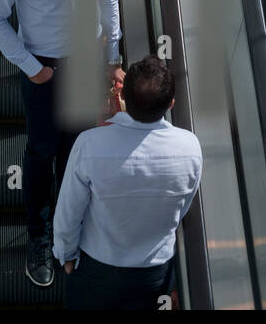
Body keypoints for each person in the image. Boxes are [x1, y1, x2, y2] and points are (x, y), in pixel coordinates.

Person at [0, 0, 126, 288]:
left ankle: (73, 228)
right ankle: (39, 236)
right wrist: (33, 69)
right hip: (43, 67)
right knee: (42, 151)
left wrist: (112, 57)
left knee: (77, 150)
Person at [53, 56, 203, 311]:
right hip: (154, 274)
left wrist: (65, 254)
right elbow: (182, 208)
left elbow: (69, 211)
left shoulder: (89, 144)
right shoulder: (190, 147)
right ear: (171, 104)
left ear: (124, 99)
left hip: (96, 269)